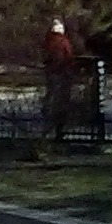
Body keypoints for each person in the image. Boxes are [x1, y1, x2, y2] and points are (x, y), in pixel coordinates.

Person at [39, 16, 76, 147]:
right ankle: (59, 124)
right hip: (62, 72)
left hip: (51, 72)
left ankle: (47, 112)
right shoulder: (63, 41)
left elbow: (45, 56)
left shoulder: (47, 41)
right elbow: (68, 56)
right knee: (61, 97)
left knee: (51, 92)